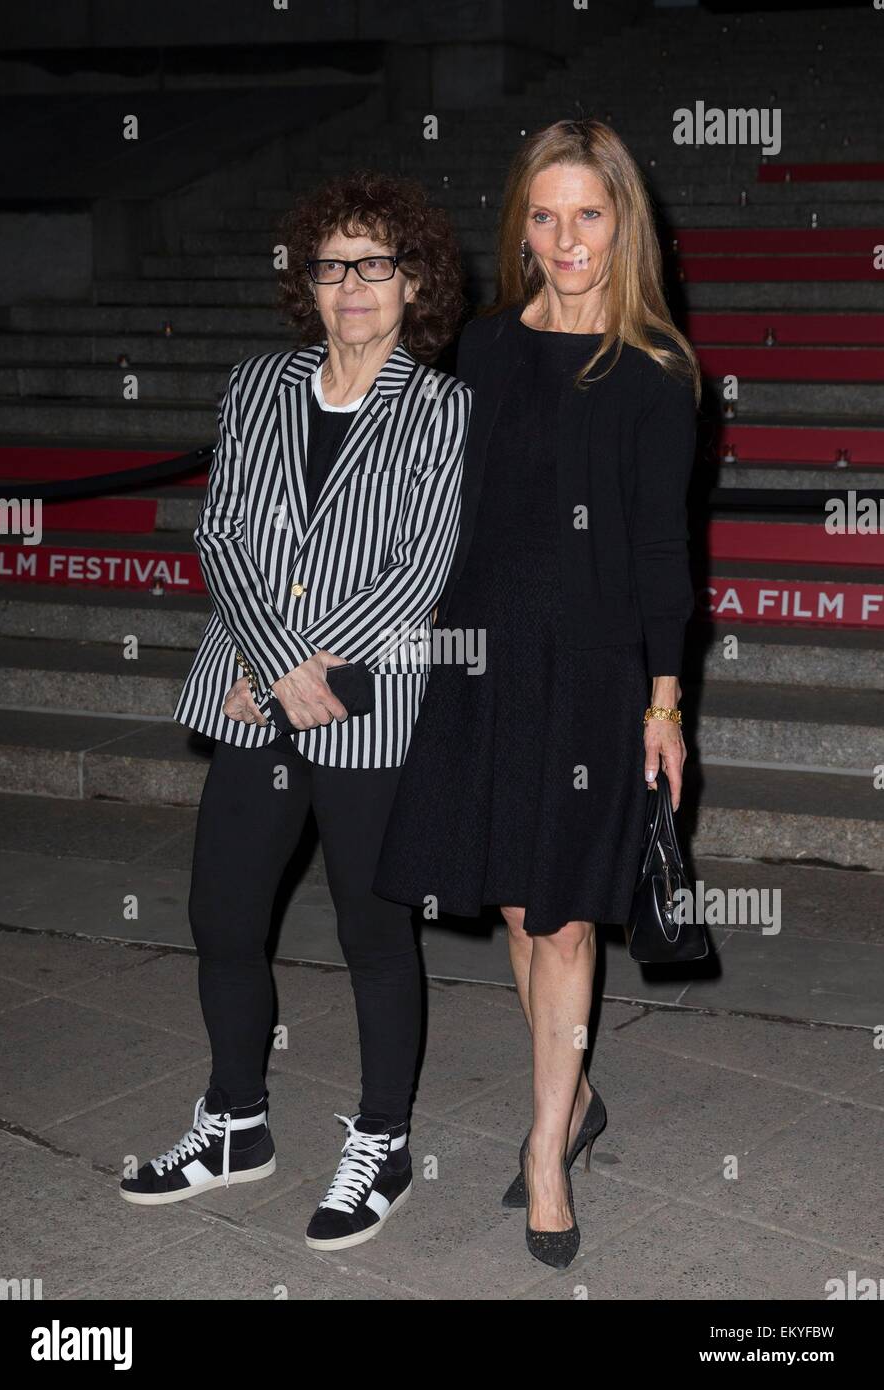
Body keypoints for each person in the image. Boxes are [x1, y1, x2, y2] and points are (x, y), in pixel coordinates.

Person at [119, 171, 471, 1254]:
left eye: (376, 264)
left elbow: (422, 570)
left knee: (372, 926)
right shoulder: (260, 384)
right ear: (307, 283)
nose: (352, 285)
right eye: (332, 265)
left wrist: (300, 671)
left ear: (413, 282)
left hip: (367, 700)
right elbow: (222, 535)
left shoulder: (444, 407)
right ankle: (235, 1124)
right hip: (257, 692)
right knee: (222, 914)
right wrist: (277, 666)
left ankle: (383, 1139)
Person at [373, 119, 700, 1267]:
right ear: (524, 223)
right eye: (545, 215)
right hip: (483, 655)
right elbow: (448, 509)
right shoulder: (488, 349)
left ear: (624, 221)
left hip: (596, 669)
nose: (566, 239)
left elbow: (665, 550)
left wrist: (665, 705)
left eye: (590, 214)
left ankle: (548, 1149)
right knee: (517, 906)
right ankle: (578, 1092)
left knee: (563, 913)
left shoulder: (657, 372)